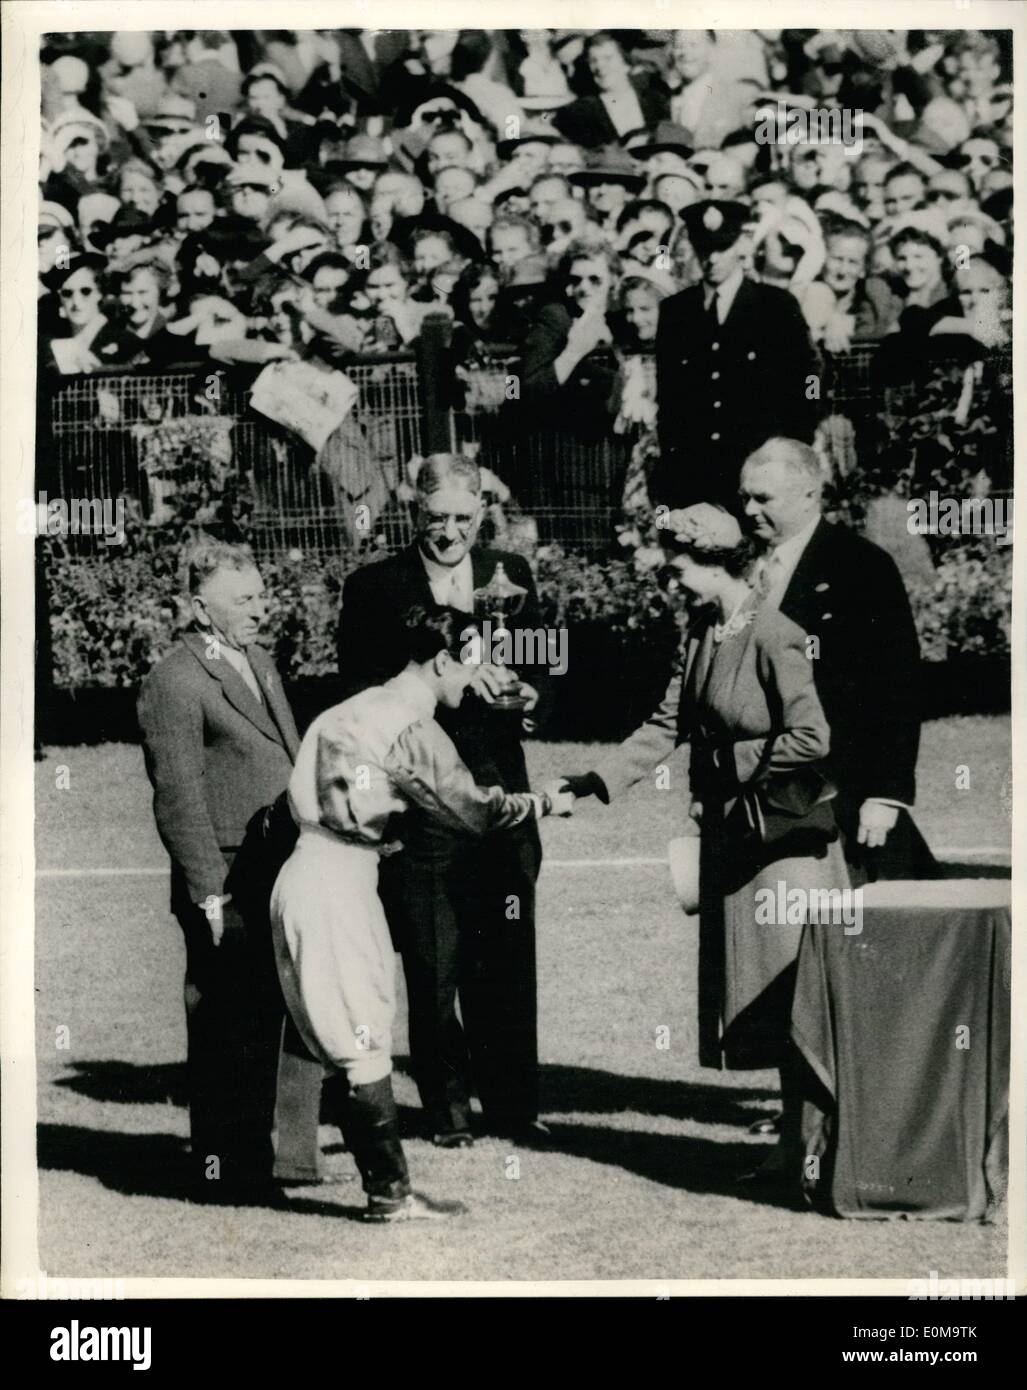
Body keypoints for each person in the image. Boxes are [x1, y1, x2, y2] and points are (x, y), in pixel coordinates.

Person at [557, 503, 848, 1188]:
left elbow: (813, 738)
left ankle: (824, 1153)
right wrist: (596, 781)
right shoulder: (702, 631)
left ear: (717, 564)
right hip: (735, 845)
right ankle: (790, 1146)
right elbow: (668, 722)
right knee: (765, 1006)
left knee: (796, 1001)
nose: (671, 583)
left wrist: (729, 765)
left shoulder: (774, 634)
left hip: (783, 849)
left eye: (678, 569)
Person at [273, 605, 571, 1220]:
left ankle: (378, 1188)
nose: (475, 680)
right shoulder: (412, 725)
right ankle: (391, 1196)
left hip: (304, 874)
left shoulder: (348, 708)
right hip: (338, 881)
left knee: (340, 1034)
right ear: (442, 660)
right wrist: (542, 801)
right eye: (470, 666)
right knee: (362, 1035)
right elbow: (471, 810)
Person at [336, 454, 553, 1148]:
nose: (450, 532)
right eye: (437, 519)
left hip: (500, 789)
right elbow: (360, 696)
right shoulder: (375, 588)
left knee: (508, 951)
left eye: (464, 518)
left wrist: (529, 697)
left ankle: (515, 1107)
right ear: (412, 514)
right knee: (433, 959)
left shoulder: (509, 576)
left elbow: (549, 670)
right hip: (421, 796)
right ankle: (448, 1111)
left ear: (482, 513)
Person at [137, 539, 324, 1199]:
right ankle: (227, 1168)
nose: (261, 608)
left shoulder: (261, 662)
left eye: (261, 594)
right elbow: (179, 796)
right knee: (229, 1024)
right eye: (243, 599)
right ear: (198, 606)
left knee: (291, 1010)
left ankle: (288, 1160)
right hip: (228, 878)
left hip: (286, 865)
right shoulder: (174, 681)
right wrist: (208, 896)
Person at [738, 438, 939, 883]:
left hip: (846, 794)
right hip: (766, 797)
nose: (749, 509)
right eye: (746, 497)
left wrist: (887, 795)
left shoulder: (861, 566)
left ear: (810, 493)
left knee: (881, 930)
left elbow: (898, 683)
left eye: (763, 498)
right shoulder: (747, 568)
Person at [652, 200, 818, 511]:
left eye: (721, 248)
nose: (711, 258)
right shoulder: (675, 311)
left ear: (740, 246)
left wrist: (799, 437)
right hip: (695, 472)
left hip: (760, 471)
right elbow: (669, 394)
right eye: (703, 248)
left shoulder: (777, 307)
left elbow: (810, 377)